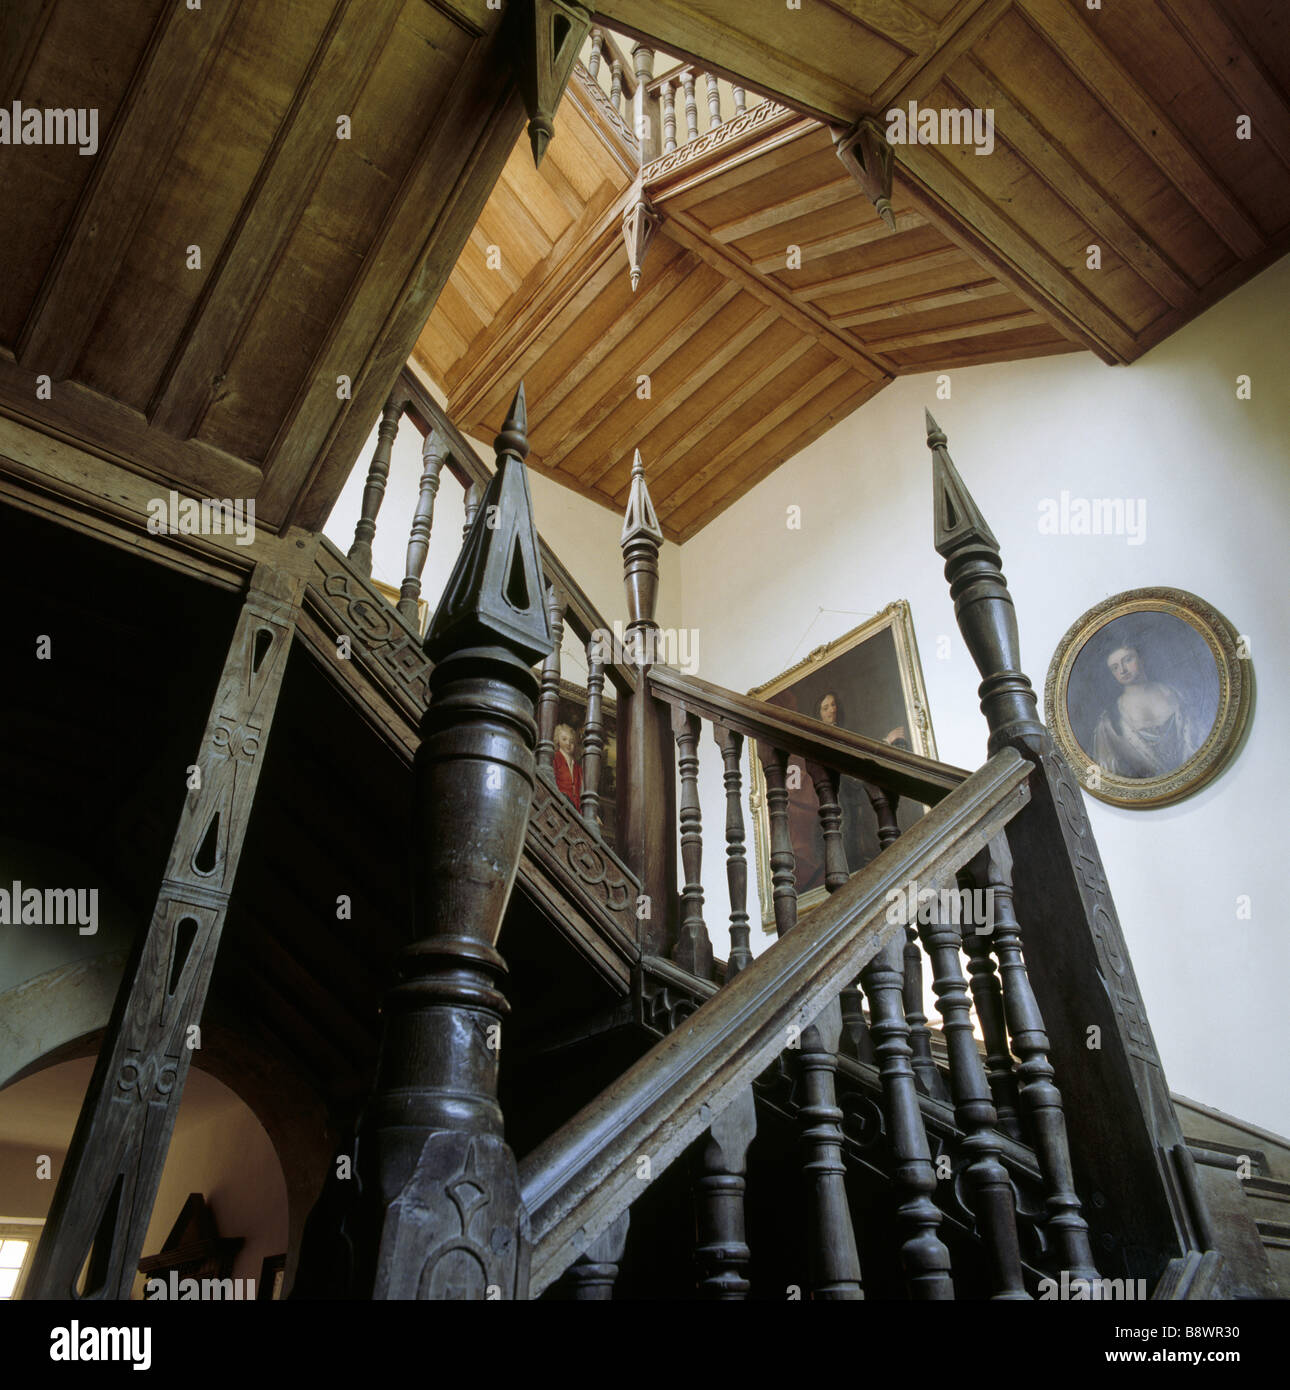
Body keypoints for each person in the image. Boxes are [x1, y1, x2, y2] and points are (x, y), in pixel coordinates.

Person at [1091, 643, 1202, 778]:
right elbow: (1108, 772)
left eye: (1127, 660)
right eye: (1115, 668)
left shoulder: (1176, 694)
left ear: (1141, 658)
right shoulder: (1109, 721)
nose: (1123, 670)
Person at [553, 722, 583, 806]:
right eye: (564, 739)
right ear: (557, 741)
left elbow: (581, 792)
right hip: (559, 805)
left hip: (575, 810)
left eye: (571, 741)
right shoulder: (555, 758)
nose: (568, 744)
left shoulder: (578, 768)